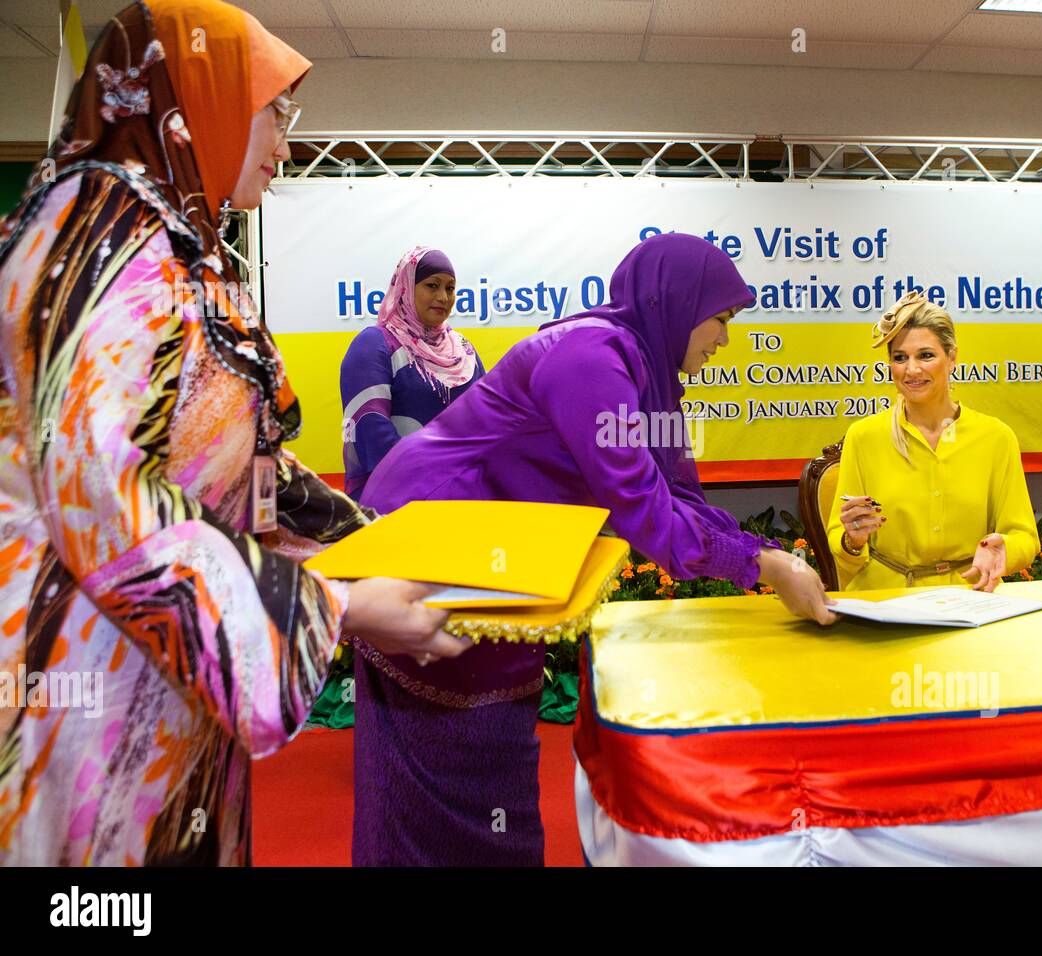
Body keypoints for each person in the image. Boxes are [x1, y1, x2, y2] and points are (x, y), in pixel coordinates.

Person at [0, 0, 467, 866]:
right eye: (275, 110)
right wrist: (334, 606)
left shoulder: (179, 244)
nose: (286, 145)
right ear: (197, 97)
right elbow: (107, 494)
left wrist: (380, 545)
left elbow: (245, 462)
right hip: (80, 688)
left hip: (173, 662)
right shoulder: (94, 234)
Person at [354, 232, 837, 866]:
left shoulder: (649, 375)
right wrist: (761, 566)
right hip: (436, 538)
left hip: (500, 550)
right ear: (676, 302)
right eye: (719, 318)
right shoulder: (592, 360)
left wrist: (765, 555)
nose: (724, 338)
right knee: (449, 746)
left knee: (495, 741)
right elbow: (643, 510)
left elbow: (678, 494)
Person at [828, 292, 1037, 592]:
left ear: (952, 358)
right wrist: (853, 539)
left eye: (925, 355)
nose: (911, 370)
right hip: (884, 600)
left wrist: (1006, 547)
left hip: (970, 597)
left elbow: (1024, 537)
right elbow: (841, 540)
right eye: (900, 358)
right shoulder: (864, 437)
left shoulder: (996, 438)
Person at [340, 247, 484, 500]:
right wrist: (433, 481)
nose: (443, 297)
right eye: (432, 285)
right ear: (406, 287)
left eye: (450, 288)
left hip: (462, 498)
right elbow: (369, 430)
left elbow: (486, 421)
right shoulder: (375, 344)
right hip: (393, 499)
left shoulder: (463, 351)